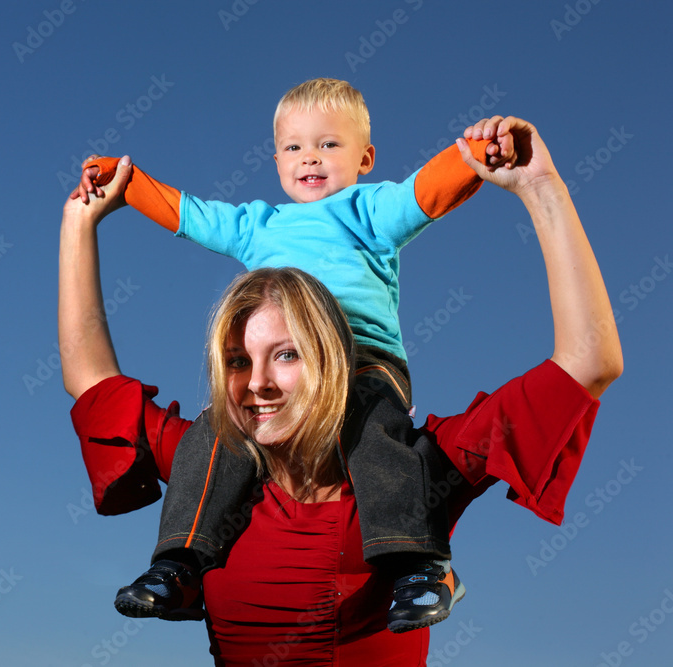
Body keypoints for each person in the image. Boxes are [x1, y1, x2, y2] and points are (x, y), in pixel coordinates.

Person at [59, 116, 621, 665]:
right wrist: (80, 223)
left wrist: (541, 189)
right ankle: (177, 566)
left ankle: (423, 567)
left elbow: (589, 361)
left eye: (286, 354)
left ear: (329, 358)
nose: (256, 383)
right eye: (236, 360)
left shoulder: (411, 468)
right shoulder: (205, 467)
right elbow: (92, 384)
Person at [71, 78, 505, 631]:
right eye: (295, 147)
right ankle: (180, 564)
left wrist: (476, 153)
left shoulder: (369, 210)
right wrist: (125, 182)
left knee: (374, 431)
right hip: (280, 372)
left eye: (329, 144)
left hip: (362, 363)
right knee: (217, 432)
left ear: (365, 158)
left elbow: (426, 191)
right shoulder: (260, 225)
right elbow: (191, 215)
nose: (311, 158)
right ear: (276, 160)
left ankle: (420, 565)